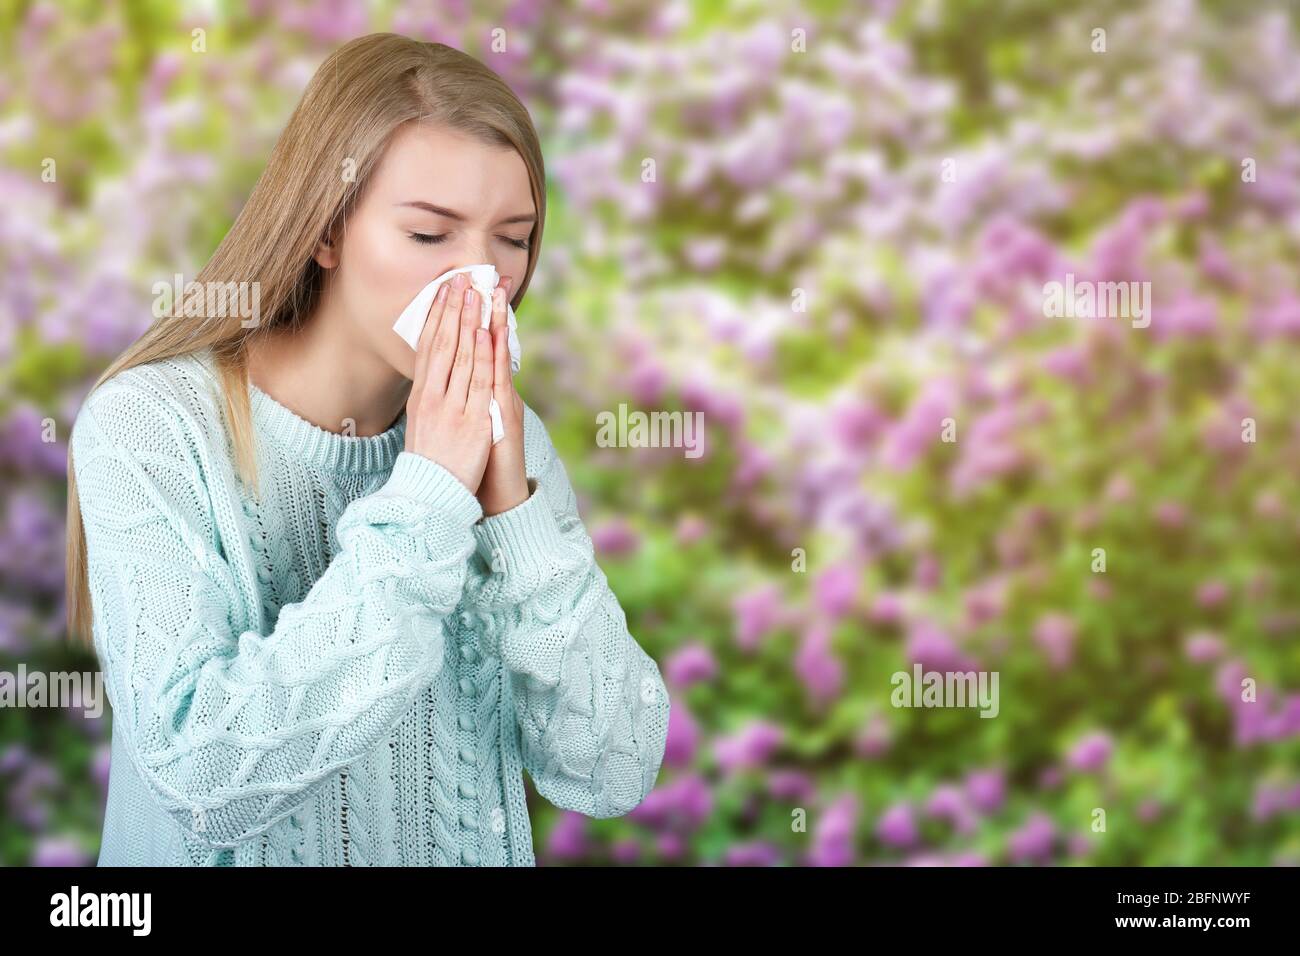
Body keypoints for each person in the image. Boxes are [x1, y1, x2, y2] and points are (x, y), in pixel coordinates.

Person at [64, 33, 670, 866]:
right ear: (327, 231)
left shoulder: (511, 441)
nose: (481, 282)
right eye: (430, 236)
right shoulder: (153, 427)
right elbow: (200, 772)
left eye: (513, 238)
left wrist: (517, 519)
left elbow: (612, 769)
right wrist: (426, 499)